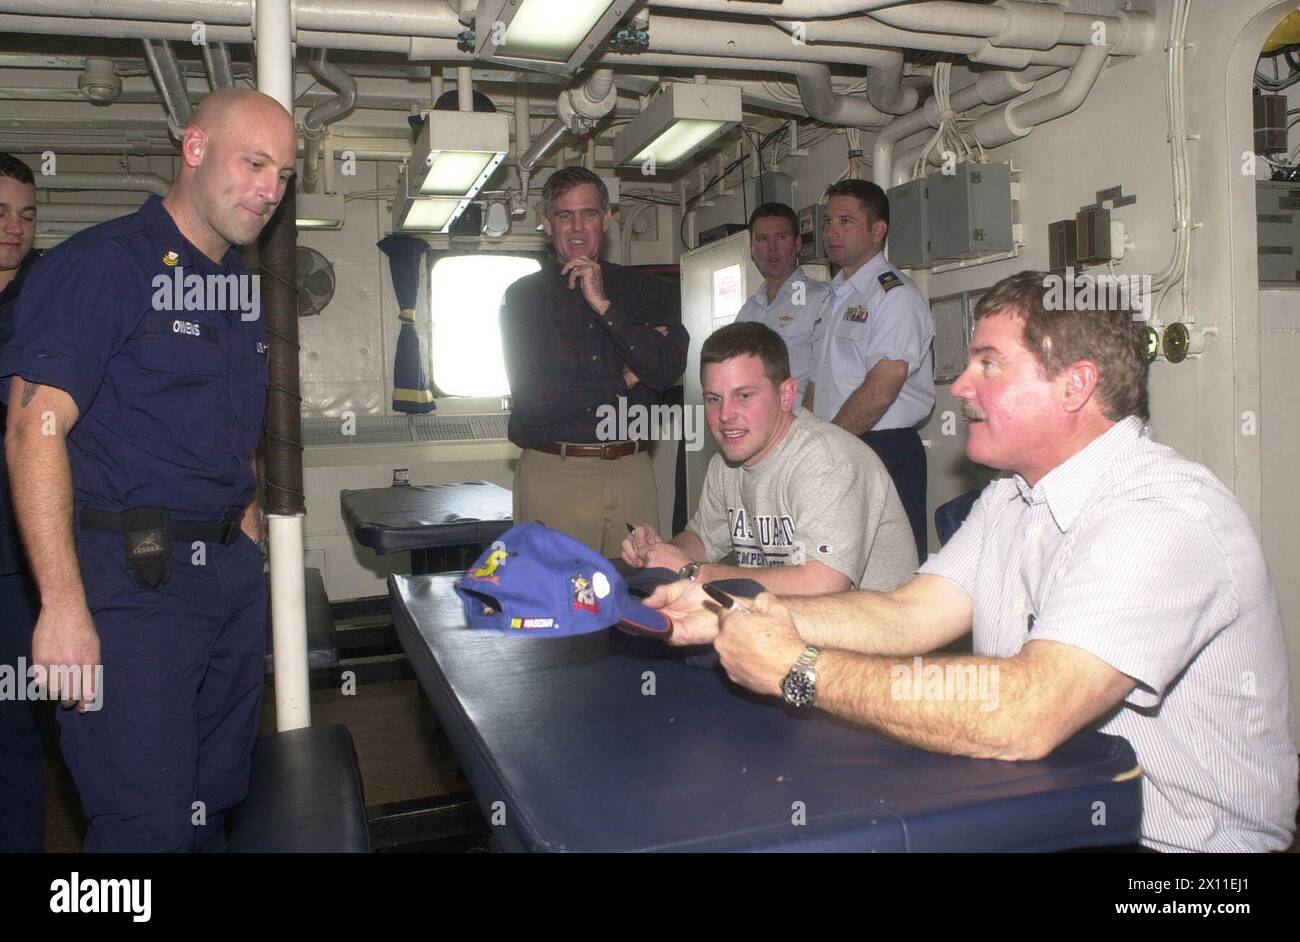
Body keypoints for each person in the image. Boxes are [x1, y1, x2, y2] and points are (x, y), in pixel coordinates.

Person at [655, 270, 1298, 853]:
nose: (959, 386)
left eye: (989, 365)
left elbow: (1025, 713)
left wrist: (800, 670)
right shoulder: (1011, 499)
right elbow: (905, 614)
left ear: (1076, 384)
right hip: (1049, 812)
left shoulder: (1163, 517)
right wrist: (734, 613)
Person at [0, 87, 297, 852]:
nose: (270, 188)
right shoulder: (100, 266)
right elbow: (33, 431)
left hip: (223, 580)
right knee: (144, 825)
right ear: (194, 149)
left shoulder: (236, 288)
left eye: (284, 174)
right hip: (131, 590)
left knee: (214, 797)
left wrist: (248, 533)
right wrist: (61, 606)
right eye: (255, 162)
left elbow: (234, 435)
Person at [623, 321, 915, 601]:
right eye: (714, 399)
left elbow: (824, 585)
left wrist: (693, 573)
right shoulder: (726, 464)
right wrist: (660, 552)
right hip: (790, 629)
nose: (725, 415)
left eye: (744, 395)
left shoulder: (827, 460)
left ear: (786, 394)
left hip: (869, 642)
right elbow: (701, 540)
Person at [501, 167, 688, 556]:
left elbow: (667, 370)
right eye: (564, 215)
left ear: (606, 219)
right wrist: (623, 380)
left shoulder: (644, 290)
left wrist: (604, 305)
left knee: (639, 597)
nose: (576, 227)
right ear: (546, 222)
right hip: (557, 471)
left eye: (587, 214)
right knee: (558, 603)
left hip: (633, 466)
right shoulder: (525, 298)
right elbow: (536, 403)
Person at [807, 180, 934, 560]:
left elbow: (881, 389)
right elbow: (819, 382)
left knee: (891, 569)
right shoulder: (833, 296)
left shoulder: (895, 296)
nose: (831, 231)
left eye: (845, 221)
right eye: (828, 221)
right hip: (837, 443)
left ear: (877, 231)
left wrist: (826, 446)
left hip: (882, 446)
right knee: (836, 563)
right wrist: (808, 439)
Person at [0, 153, 41, 853]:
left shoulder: (51, 297)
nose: (14, 227)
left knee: (16, 727)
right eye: (0, 212)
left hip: (18, 558)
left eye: (26, 215)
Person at [734, 203, 834, 411]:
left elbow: (830, 376)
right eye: (762, 239)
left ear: (797, 243)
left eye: (781, 238)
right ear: (752, 249)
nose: (772, 248)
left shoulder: (821, 299)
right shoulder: (749, 311)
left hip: (800, 428)